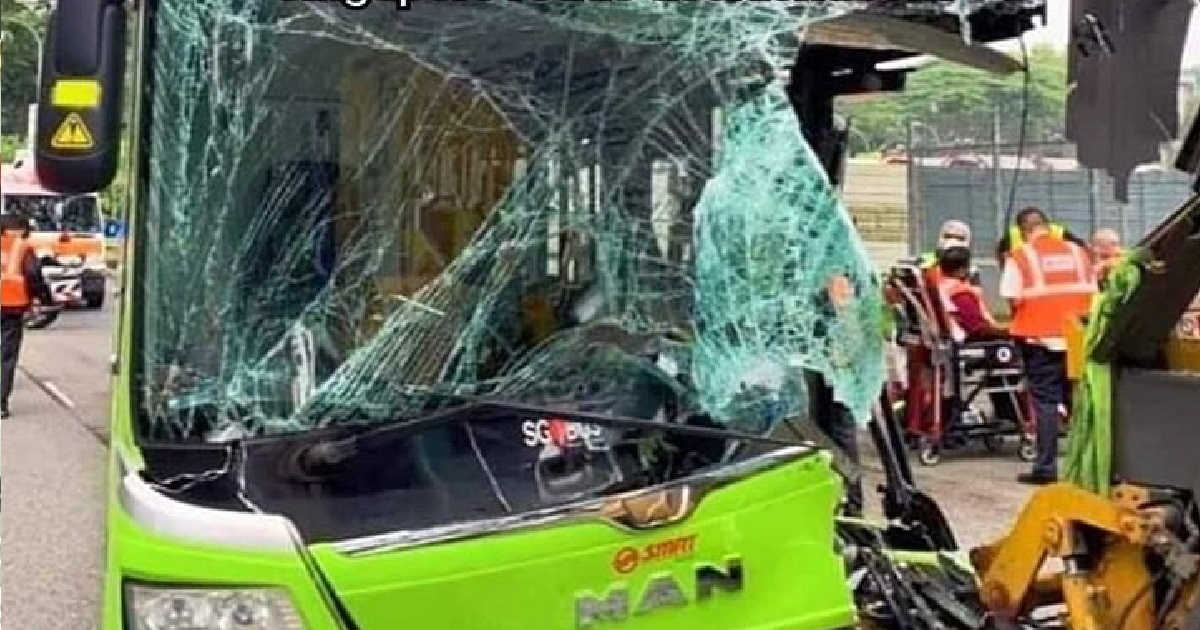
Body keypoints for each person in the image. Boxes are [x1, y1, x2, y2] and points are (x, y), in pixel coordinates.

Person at [1000, 212, 1097, 485]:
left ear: (1022, 230)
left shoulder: (1021, 257)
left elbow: (1010, 296)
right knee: (1079, 402)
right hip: (1078, 339)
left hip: (1040, 340)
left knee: (1046, 403)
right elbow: (1092, 292)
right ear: (1048, 226)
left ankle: (1045, 468)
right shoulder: (1078, 252)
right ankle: (1090, 465)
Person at [2, 213, 55, 419]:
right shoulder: (22, 248)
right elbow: (33, 276)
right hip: (11, 307)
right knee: (6, 355)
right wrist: (43, 298)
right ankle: (1, 404)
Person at [937, 246, 1008, 342]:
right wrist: (1008, 331)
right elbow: (978, 330)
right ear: (961, 270)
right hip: (976, 343)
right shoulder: (961, 295)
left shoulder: (942, 288)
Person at [996, 207, 1090, 261]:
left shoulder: (1058, 232)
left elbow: (1082, 247)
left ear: (1047, 224)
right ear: (1021, 228)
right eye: (1031, 227)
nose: (1036, 229)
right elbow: (1001, 253)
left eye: (1039, 224)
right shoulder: (1012, 235)